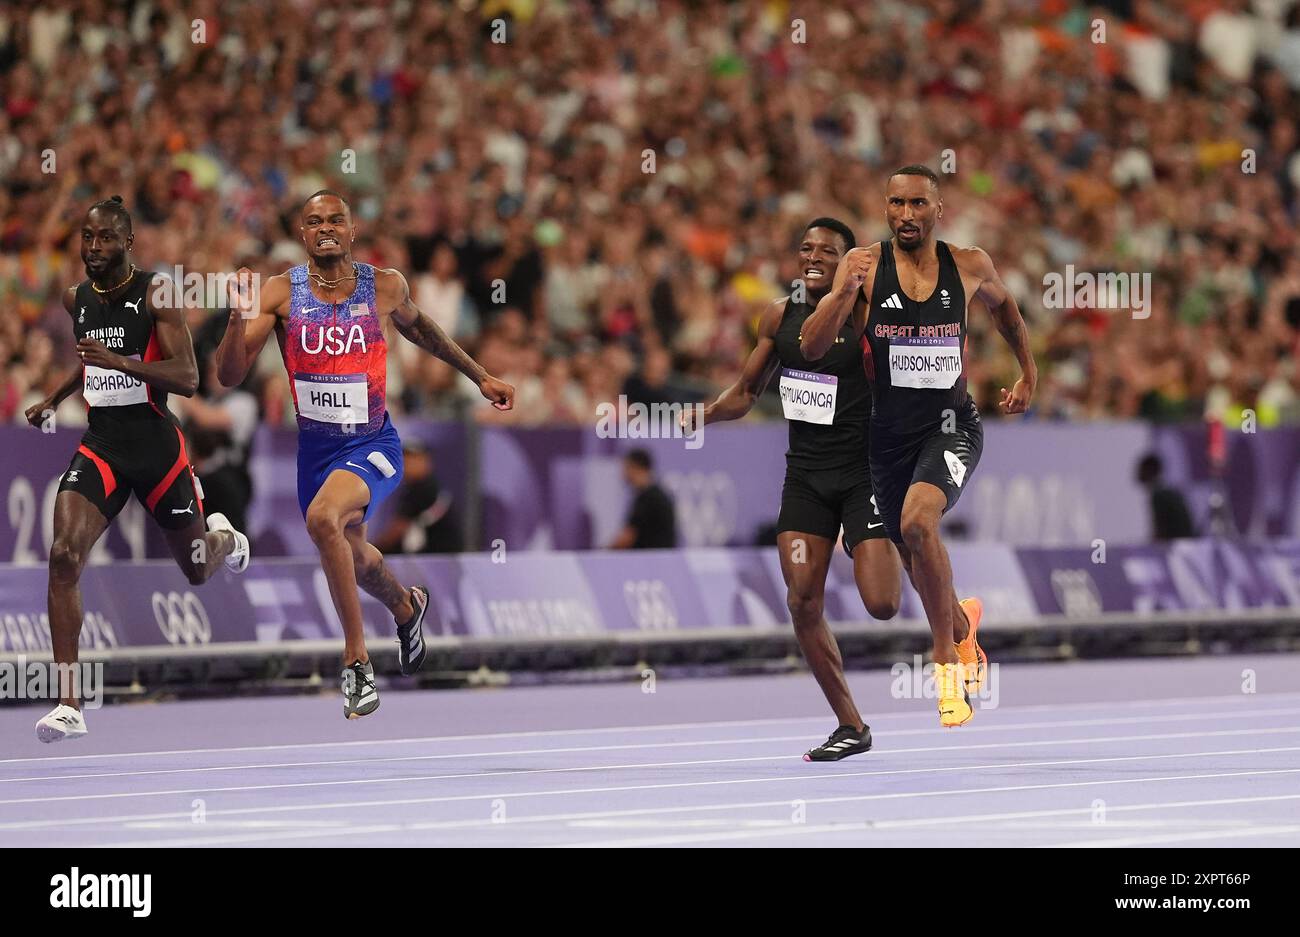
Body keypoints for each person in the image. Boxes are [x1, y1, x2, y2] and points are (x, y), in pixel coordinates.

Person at [215, 190, 514, 719]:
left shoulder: (385, 285)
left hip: (373, 443)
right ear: (302, 234)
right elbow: (228, 375)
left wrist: (479, 375)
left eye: (336, 220)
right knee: (355, 557)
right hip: (316, 454)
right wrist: (237, 321)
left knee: (323, 519)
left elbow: (422, 329)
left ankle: (356, 664)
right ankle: (406, 606)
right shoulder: (281, 292)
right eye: (313, 221)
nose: (325, 228)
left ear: (352, 231)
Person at [804, 165, 1036, 727]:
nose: (906, 215)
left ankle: (945, 665)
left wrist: (1028, 371)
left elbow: (1005, 308)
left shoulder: (970, 264)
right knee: (916, 559)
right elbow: (812, 347)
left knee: (916, 523)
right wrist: (844, 294)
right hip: (884, 441)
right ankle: (962, 626)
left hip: (952, 427)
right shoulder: (863, 265)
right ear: (886, 208)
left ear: (939, 209)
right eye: (896, 204)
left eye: (917, 204)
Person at [25, 196, 249, 743]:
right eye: (87, 238)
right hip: (102, 444)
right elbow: (88, 362)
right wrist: (54, 398)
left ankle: (226, 538)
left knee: (196, 570)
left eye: (105, 239)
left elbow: (188, 377)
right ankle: (70, 703)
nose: (93, 248)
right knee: (63, 556)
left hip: (157, 449)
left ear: (127, 243)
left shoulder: (158, 292)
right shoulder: (74, 295)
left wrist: (122, 362)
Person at [684, 218, 901, 761]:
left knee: (882, 604)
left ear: (851, 261)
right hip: (805, 477)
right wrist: (704, 414)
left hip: (864, 475)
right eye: (806, 248)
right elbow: (745, 393)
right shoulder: (779, 316)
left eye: (828, 251)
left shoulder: (868, 312)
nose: (813, 256)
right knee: (803, 600)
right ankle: (851, 725)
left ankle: (952, 613)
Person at [371, 439, 464, 554]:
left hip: (438, 557)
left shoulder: (423, 489)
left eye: (415, 459)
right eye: (406, 459)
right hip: (434, 555)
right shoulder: (414, 488)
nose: (409, 464)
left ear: (426, 462)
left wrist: (374, 550)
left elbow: (398, 531)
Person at [609, 449, 677, 549]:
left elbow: (628, 538)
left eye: (626, 467)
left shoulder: (648, 499)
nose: (623, 473)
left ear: (635, 467)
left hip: (650, 561)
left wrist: (604, 552)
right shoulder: (659, 495)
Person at [1135, 453, 1195, 540]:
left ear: (1150, 470)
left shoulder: (1159, 496)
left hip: (1176, 545)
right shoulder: (1166, 492)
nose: (1139, 473)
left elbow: (1161, 531)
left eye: (1142, 469)